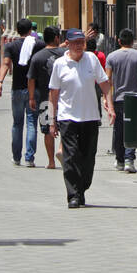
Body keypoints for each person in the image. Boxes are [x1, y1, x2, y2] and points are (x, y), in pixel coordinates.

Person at [48, 29, 114, 208]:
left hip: (90, 116)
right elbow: (53, 93)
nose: (79, 46)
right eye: (75, 42)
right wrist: (51, 120)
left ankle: (81, 188)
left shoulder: (91, 59)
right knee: (71, 156)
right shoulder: (60, 64)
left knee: (88, 157)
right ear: (67, 44)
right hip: (67, 117)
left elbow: (104, 83)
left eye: (81, 42)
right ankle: (73, 195)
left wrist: (110, 106)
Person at [0, 19, 44, 167]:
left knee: (17, 123)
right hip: (35, 88)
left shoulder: (11, 46)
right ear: (31, 30)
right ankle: (29, 158)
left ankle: (16, 157)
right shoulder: (38, 45)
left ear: (17, 31)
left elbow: (5, 64)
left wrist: (0, 82)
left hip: (17, 87)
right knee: (32, 122)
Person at [105, 29, 137, 173]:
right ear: (133, 41)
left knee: (119, 129)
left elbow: (108, 80)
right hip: (134, 98)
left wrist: (106, 98)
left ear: (119, 41)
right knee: (132, 129)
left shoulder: (111, 57)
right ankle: (130, 160)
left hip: (118, 98)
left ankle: (120, 160)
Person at [27, 27, 64, 169]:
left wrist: (31, 98)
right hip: (63, 98)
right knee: (65, 126)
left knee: (47, 129)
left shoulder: (37, 57)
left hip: (44, 99)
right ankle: (61, 149)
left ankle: (51, 162)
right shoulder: (65, 54)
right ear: (56, 38)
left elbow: (31, 79)